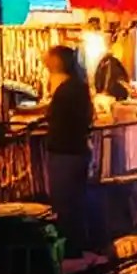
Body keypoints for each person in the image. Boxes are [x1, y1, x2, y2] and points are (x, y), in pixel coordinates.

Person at [43, 45, 98, 262]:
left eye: (49, 58)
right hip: (77, 151)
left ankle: (68, 249)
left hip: (65, 153)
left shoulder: (67, 90)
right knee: (75, 201)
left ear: (58, 62)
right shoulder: (78, 87)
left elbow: (58, 117)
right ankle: (75, 247)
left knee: (65, 203)